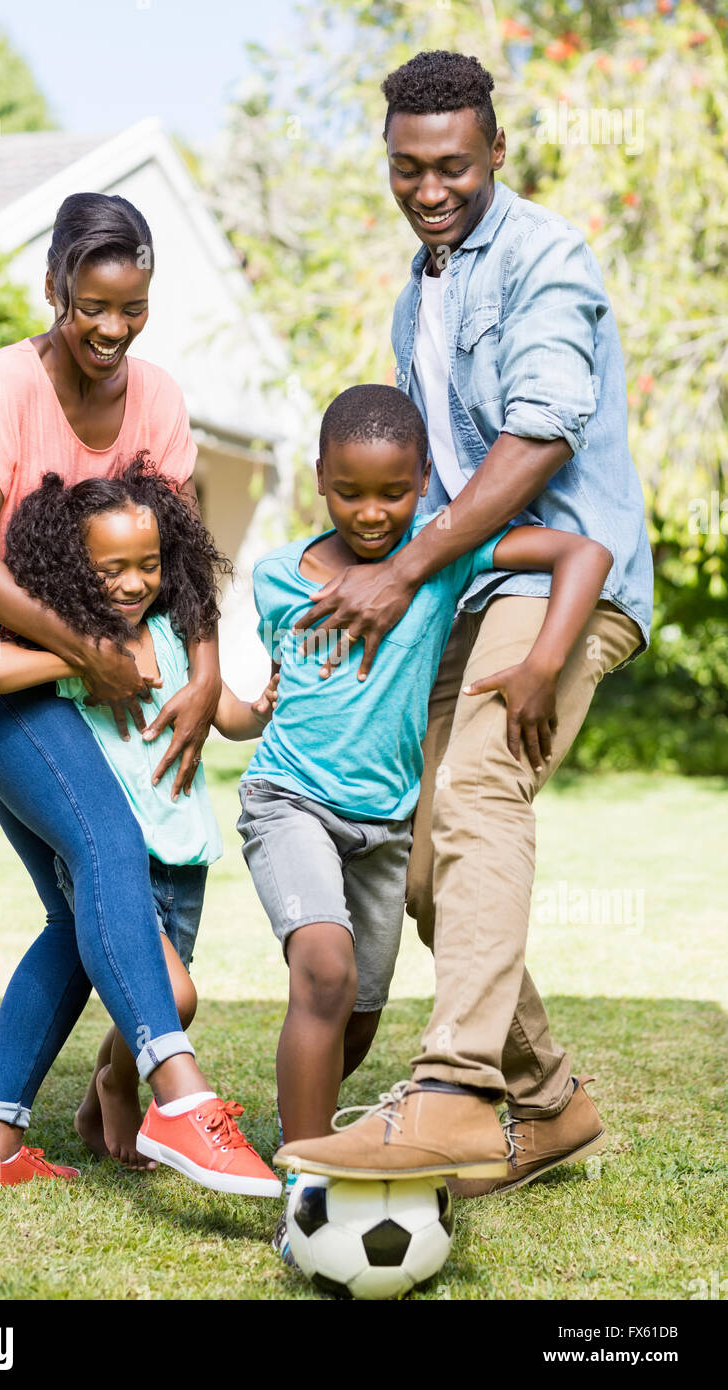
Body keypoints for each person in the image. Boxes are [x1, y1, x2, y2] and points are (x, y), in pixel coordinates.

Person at [275, 52, 654, 1193]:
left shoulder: (543, 258)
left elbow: (535, 438)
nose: (427, 187)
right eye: (405, 167)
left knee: (480, 793)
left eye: (450, 166)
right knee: (428, 855)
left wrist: (415, 579)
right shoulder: (419, 286)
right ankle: (545, 1104)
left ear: (494, 153)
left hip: (554, 580)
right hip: (473, 586)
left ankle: (454, 1088)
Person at [0, 191, 279, 1198]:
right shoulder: (6, 386)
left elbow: (184, 552)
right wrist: (92, 653)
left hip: (54, 668)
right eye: (89, 305)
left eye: (130, 307)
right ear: (53, 287)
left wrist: (200, 675)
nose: (109, 329)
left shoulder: (156, 398)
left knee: (81, 912)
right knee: (105, 841)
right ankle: (180, 1098)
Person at [241, 383, 613, 1257]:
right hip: (289, 800)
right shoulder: (273, 578)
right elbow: (294, 685)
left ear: (424, 488)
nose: (372, 513)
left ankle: (310, 1120)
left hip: (384, 827)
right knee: (324, 974)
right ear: (320, 481)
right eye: (349, 491)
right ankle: (306, 1191)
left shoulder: (443, 557)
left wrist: (542, 664)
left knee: (357, 1018)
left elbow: (586, 554)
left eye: (395, 492)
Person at [0, 459, 279, 1177]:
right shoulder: (77, 644)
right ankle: (123, 1087)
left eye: (149, 564)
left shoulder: (171, 633)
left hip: (183, 858)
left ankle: (107, 1084)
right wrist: (78, 659)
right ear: (77, 569)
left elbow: (226, 716)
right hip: (114, 862)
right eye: (112, 568)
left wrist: (261, 708)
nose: (135, 583)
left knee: (150, 999)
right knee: (174, 994)